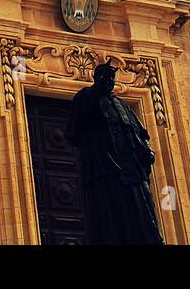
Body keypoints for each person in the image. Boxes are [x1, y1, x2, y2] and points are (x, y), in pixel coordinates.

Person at [65, 61, 164, 244]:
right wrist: (96, 90)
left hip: (132, 170)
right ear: (98, 79)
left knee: (144, 215)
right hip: (107, 169)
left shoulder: (120, 103)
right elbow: (75, 127)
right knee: (112, 217)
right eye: (107, 77)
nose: (110, 82)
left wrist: (147, 150)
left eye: (112, 78)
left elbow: (139, 131)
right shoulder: (86, 97)